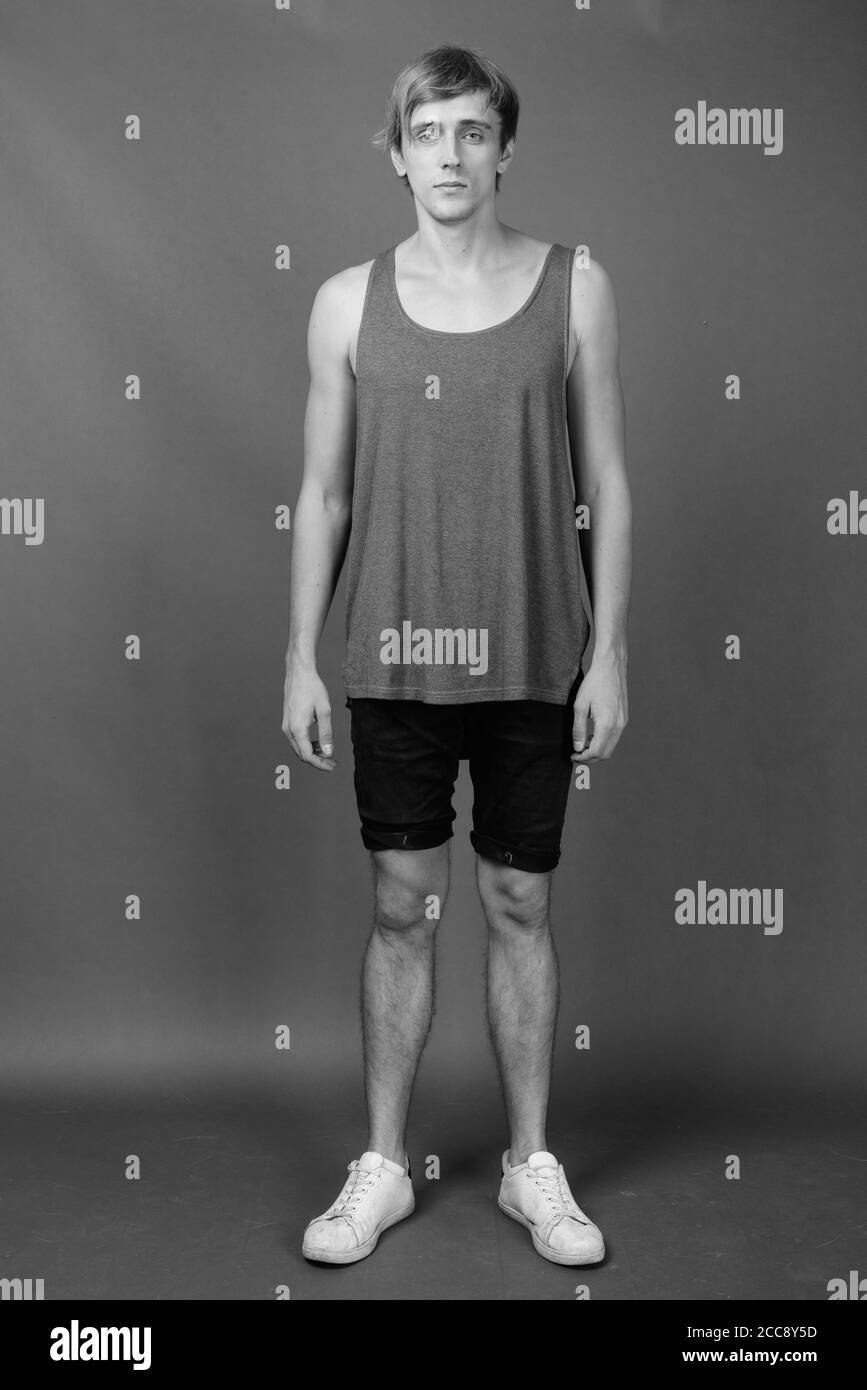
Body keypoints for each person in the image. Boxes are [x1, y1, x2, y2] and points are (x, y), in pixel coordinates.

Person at [283, 43, 631, 1268]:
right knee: (403, 906)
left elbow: (610, 483)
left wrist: (614, 653)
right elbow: (322, 495)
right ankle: (381, 1165)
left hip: (537, 653)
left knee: (519, 900)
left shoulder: (575, 284)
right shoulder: (342, 301)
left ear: (504, 147)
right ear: (396, 151)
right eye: (427, 133)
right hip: (391, 654)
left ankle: (532, 1166)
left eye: (472, 132)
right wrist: (298, 658)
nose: (450, 155)